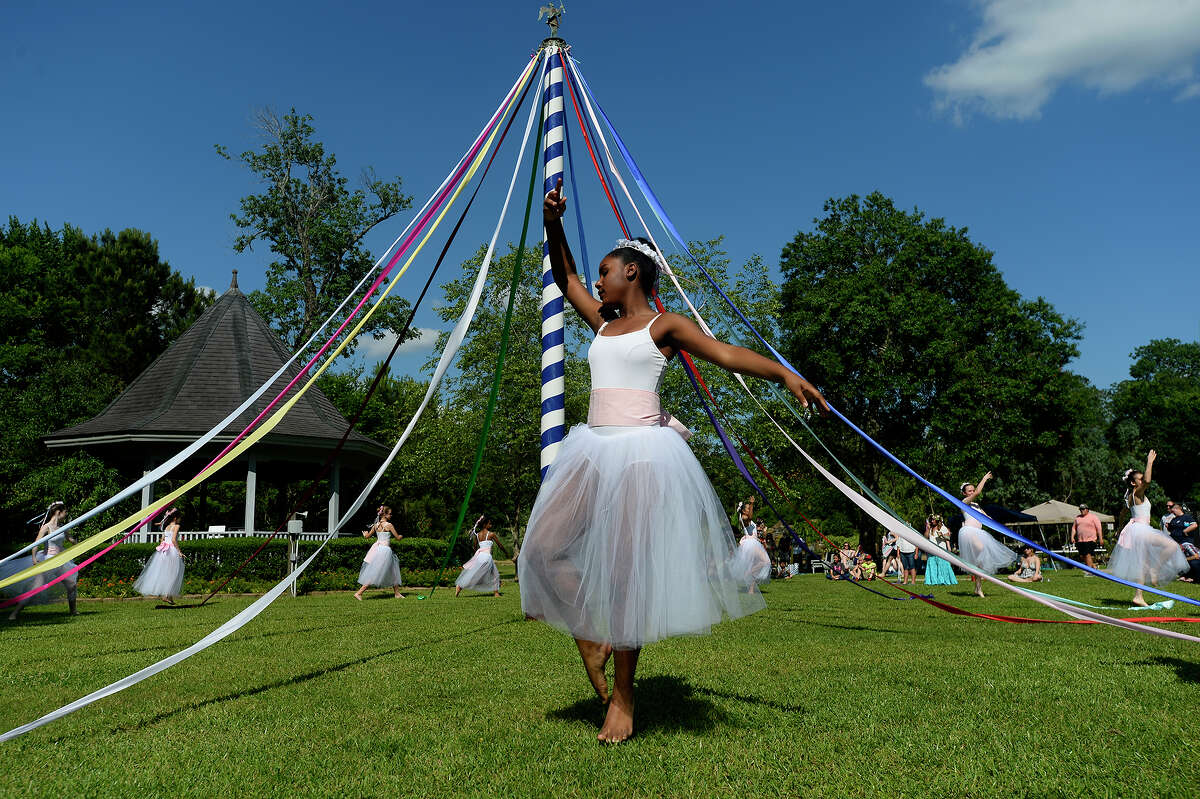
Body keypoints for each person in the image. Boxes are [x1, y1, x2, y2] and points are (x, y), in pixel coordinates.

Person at [519, 181, 829, 743]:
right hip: (593, 448)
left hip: (643, 455)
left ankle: (625, 694)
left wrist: (783, 372)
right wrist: (553, 222)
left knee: (625, 574)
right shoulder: (604, 324)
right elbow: (565, 277)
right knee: (542, 549)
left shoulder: (663, 326)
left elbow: (726, 351)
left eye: (606, 272)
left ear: (631, 273)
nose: (597, 281)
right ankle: (591, 637)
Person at [1108, 450, 1188, 606]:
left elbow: (1122, 512)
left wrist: (1119, 528)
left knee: (1142, 564)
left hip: (1137, 529)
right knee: (1171, 546)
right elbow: (1148, 481)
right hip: (1140, 529)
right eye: (1140, 479)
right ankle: (1154, 569)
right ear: (1133, 483)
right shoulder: (1137, 492)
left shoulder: (1130, 496)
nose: (1143, 480)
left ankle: (1138, 595)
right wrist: (1149, 462)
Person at [2, 501, 79, 620]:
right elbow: (36, 544)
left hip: (60, 561)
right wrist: (34, 558)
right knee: (36, 587)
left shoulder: (63, 528)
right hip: (48, 560)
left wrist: (79, 545)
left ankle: (73, 611)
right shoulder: (46, 527)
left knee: (71, 584)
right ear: (58, 512)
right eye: (65, 512)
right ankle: (14, 614)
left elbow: (70, 539)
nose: (66, 515)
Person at [957, 471, 1017, 597]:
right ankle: (974, 572)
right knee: (981, 550)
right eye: (970, 491)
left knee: (980, 561)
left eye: (973, 490)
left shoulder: (977, 505)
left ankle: (978, 588)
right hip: (969, 532)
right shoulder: (964, 502)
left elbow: (987, 517)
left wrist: (999, 525)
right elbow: (979, 492)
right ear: (964, 493)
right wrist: (984, 478)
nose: (973, 492)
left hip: (979, 532)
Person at [134, 507, 186, 603]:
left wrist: (163, 544)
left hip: (163, 551)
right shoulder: (176, 526)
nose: (180, 519)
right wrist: (179, 551)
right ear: (175, 518)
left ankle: (169, 596)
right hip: (171, 551)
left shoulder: (166, 527)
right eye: (179, 518)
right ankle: (166, 595)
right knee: (173, 573)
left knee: (165, 572)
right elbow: (174, 540)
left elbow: (162, 539)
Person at [354, 505, 404, 600]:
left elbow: (367, 536)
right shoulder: (389, 525)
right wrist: (401, 536)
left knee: (393, 571)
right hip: (385, 551)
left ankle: (397, 593)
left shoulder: (376, 525)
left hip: (379, 549)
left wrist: (365, 534)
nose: (391, 515)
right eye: (390, 514)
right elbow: (397, 538)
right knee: (376, 572)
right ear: (384, 514)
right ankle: (359, 592)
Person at [456, 516, 509, 597]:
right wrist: (506, 553)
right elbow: (500, 545)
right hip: (487, 557)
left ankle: (496, 593)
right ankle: (460, 586)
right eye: (490, 524)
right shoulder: (491, 534)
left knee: (492, 574)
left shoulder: (477, 535)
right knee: (489, 575)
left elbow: (474, 547)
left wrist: (477, 555)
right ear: (485, 524)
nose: (491, 526)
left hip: (480, 556)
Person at [733, 525, 772, 593]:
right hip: (751, 543)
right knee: (766, 561)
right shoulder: (746, 516)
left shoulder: (750, 521)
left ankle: (751, 589)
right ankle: (748, 573)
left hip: (753, 542)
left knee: (755, 564)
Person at [923, 515, 958, 586]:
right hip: (932, 551)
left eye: (933, 520)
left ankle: (944, 580)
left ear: (937, 521)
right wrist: (927, 529)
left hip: (941, 550)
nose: (932, 521)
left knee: (943, 566)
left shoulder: (943, 528)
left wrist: (942, 536)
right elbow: (925, 537)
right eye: (931, 520)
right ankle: (933, 581)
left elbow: (948, 538)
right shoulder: (930, 529)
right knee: (932, 566)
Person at [1070, 503, 1104, 571]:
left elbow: (1099, 528)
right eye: (1080, 509)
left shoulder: (1093, 517)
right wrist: (1072, 537)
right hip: (1080, 540)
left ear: (1087, 510)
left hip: (1091, 539)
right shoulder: (1077, 518)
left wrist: (1101, 539)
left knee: (1087, 554)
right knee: (1082, 556)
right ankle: (1093, 567)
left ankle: (1089, 571)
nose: (1081, 510)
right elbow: (1074, 528)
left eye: (1083, 509)